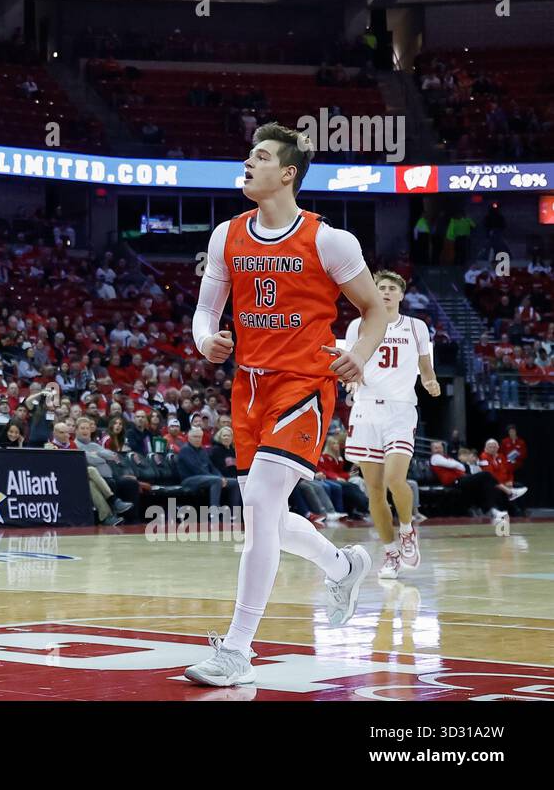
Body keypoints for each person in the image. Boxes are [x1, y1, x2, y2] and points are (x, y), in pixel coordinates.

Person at [184, 123, 390, 688]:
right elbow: (206, 313)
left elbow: (374, 310)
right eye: (249, 154)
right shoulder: (226, 235)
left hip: (304, 385)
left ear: (288, 173)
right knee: (268, 517)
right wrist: (207, 340)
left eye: (262, 156)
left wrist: (359, 354)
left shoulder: (330, 241)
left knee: (259, 502)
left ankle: (236, 649)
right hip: (247, 389)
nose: (249, 163)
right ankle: (343, 565)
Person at [342, 270, 439, 579]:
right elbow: (352, 364)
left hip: (400, 410)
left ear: (400, 294)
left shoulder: (416, 327)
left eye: (390, 288)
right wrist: (350, 380)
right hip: (366, 411)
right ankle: (390, 551)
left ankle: (408, 530)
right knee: (373, 490)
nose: (384, 292)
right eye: (380, 287)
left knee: (396, 479)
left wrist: (431, 381)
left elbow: (426, 368)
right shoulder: (358, 325)